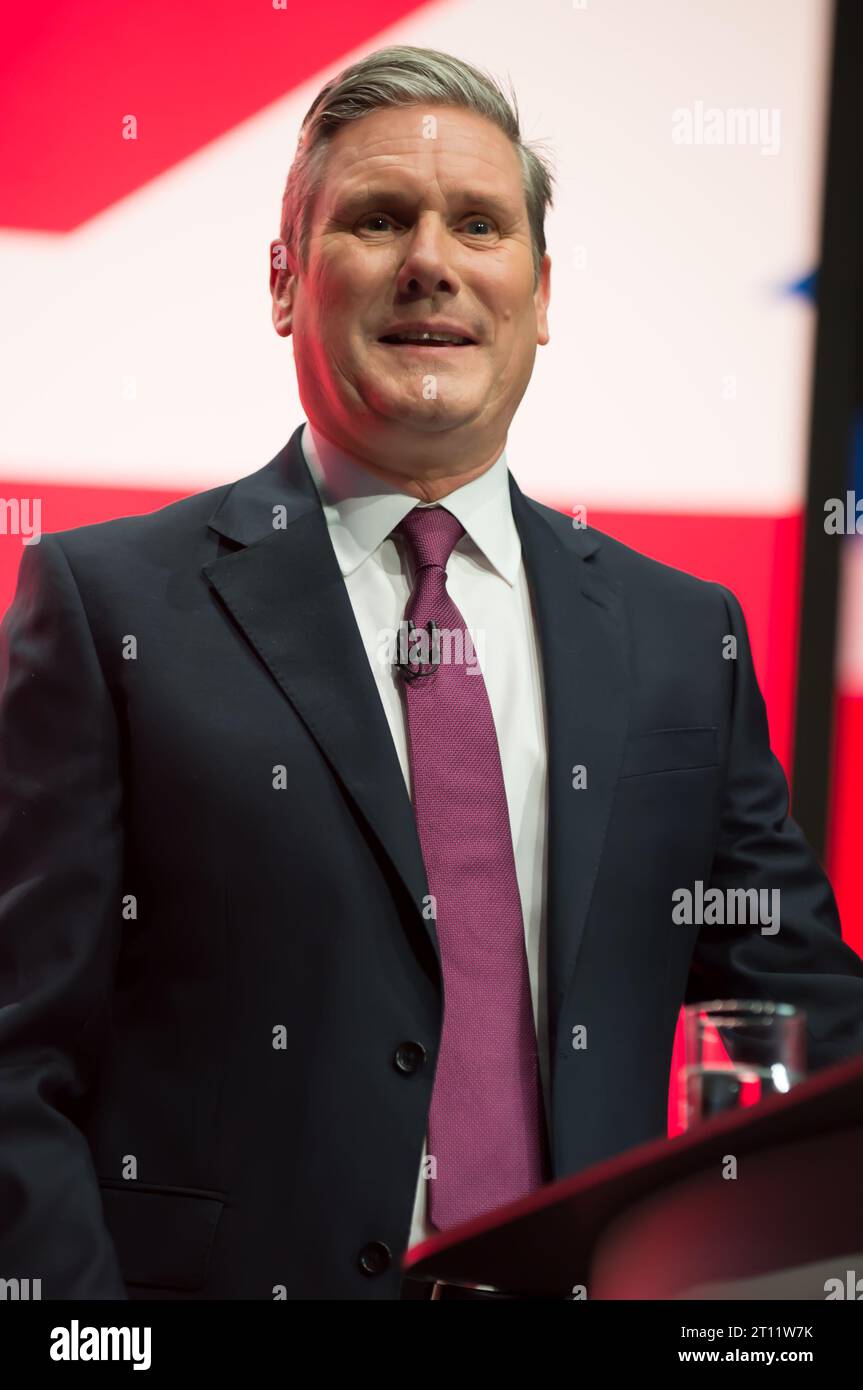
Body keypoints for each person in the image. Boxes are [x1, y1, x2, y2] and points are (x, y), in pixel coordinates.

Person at [1, 44, 861, 1304]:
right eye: (376, 218)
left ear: (540, 290)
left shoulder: (685, 637)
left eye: (478, 223)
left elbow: (807, 1030)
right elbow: (17, 1066)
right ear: (285, 282)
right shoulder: (107, 606)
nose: (431, 262)